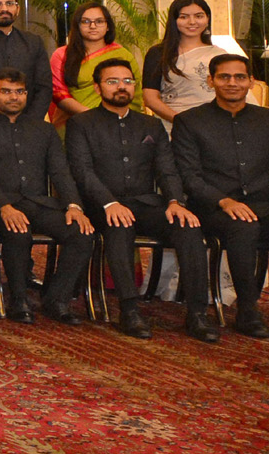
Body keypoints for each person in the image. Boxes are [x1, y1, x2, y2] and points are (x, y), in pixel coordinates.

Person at [173, 54, 269, 341]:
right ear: (211, 81)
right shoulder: (189, 122)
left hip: (263, 204)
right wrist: (224, 201)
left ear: (251, 82)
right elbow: (189, 177)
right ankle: (247, 310)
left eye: (240, 77)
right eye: (224, 77)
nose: (233, 83)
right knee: (243, 226)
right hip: (213, 208)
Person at [66, 58, 217, 342]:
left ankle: (197, 314)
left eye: (127, 81)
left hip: (147, 204)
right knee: (119, 226)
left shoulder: (151, 124)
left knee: (188, 227)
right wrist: (109, 203)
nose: (121, 87)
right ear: (98, 88)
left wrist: (175, 202)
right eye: (112, 82)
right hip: (103, 206)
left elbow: (167, 169)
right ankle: (130, 310)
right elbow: (82, 171)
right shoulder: (81, 124)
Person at [0, 68, 96, 325]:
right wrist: (4, 205)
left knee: (81, 232)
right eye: (6, 91)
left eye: (20, 92)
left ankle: (56, 299)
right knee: (17, 232)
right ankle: (19, 299)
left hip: (38, 203)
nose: (14, 97)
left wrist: (73, 205)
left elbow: (60, 171)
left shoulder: (43, 130)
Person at [142, 0, 221, 124]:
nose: (192, 22)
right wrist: (182, 122)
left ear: (207, 19)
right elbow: (150, 98)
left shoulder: (219, 55)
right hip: (174, 126)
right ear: (174, 20)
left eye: (199, 16)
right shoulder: (158, 53)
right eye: (184, 17)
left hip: (214, 126)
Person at [52, 1, 133, 121]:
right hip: (73, 122)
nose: (93, 26)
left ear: (108, 26)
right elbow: (58, 93)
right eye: (86, 21)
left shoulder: (123, 54)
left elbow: (134, 94)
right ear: (77, 26)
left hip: (119, 122)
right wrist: (93, 117)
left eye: (99, 21)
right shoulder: (62, 55)